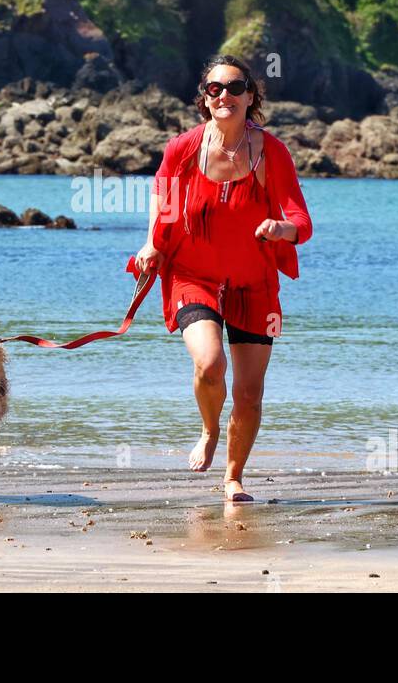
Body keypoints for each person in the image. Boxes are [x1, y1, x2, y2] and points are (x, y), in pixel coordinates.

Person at [133, 54, 312, 502]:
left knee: (249, 394)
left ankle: (233, 477)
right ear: (204, 99)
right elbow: (164, 198)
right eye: (215, 89)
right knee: (210, 363)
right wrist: (152, 244)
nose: (225, 95)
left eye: (235, 88)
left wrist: (280, 229)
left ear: (251, 97)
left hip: (254, 283)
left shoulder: (272, 152)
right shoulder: (183, 149)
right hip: (194, 276)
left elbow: (300, 221)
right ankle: (210, 428)